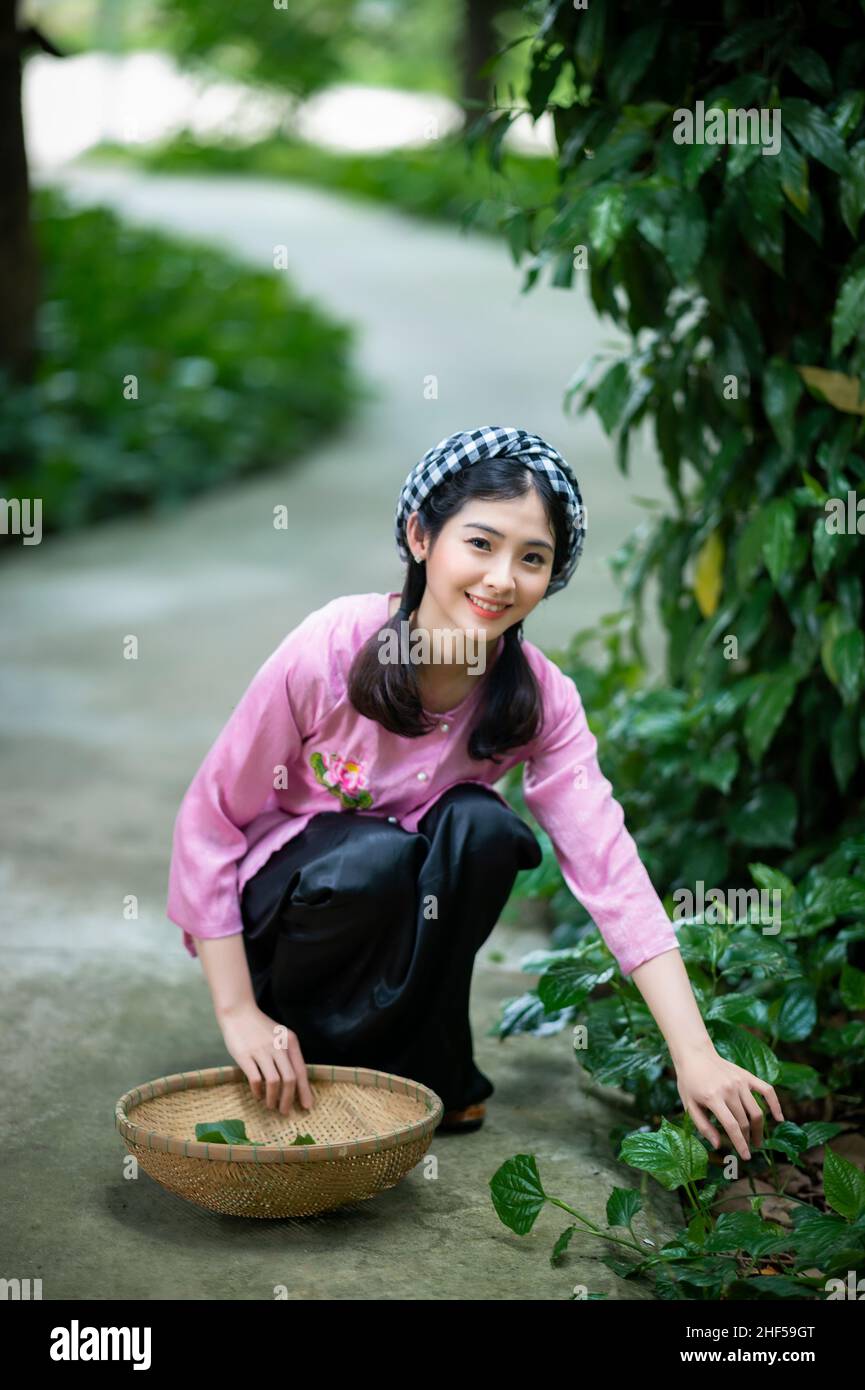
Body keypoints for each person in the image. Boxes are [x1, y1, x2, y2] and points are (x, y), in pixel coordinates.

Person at [166, 424, 784, 1152]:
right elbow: (209, 823)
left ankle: (423, 1062)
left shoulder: (540, 699)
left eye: (532, 558)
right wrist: (239, 1012)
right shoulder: (330, 648)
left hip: (397, 908)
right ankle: (304, 1046)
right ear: (421, 536)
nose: (500, 579)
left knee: (483, 828)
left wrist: (695, 1054)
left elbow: (607, 868)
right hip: (291, 916)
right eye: (481, 544)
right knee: (374, 854)